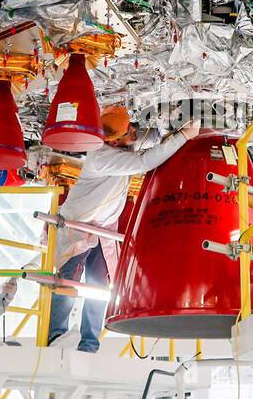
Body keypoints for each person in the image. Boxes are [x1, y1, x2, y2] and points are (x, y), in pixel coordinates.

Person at [47, 106, 200, 352]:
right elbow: (144, 162)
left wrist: (173, 127)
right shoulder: (100, 156)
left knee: (99, 285)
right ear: (113, 139)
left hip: (102, 228)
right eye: (127, 130)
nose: (133, 132)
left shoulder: (119, 144)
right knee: (69, 282)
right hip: (79, 225)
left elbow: (147, 139)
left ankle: (89, 344)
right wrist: (184, 137)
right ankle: (55, 337)